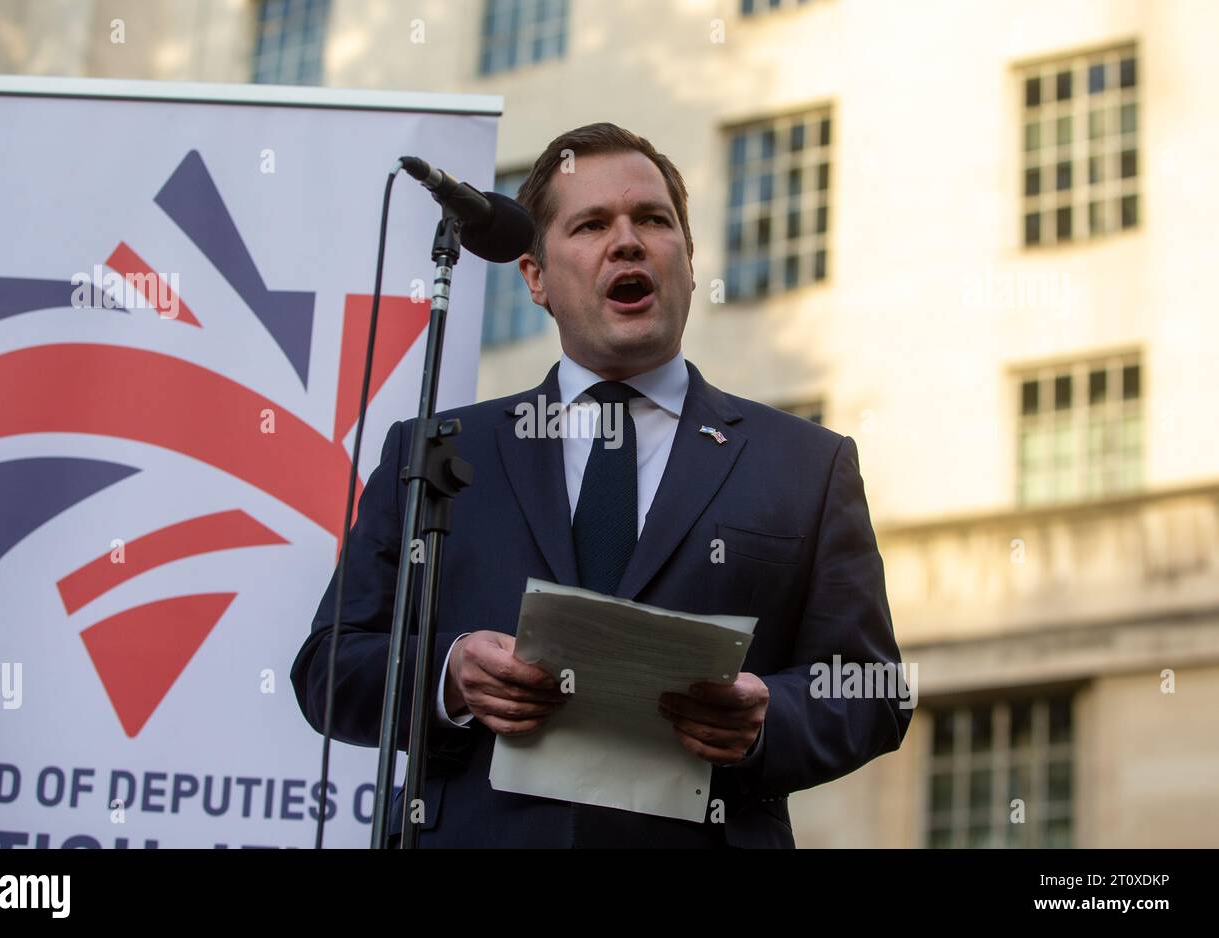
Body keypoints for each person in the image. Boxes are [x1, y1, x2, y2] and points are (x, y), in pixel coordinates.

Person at [290, 122, 912, 848]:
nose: (628, 241)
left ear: (687, 259)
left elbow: (871, 690)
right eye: (591, 225)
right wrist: (450, 674)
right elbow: (328, 666)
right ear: (536, 278)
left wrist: (768, 713)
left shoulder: (807, 463)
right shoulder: (437, 451)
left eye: (653, 219)